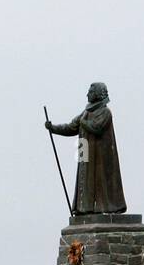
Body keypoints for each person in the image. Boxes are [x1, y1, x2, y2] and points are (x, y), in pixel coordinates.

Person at [44, 82, 127, 214]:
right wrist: (53, 128)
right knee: (85, 179)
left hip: (100, 154)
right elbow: (71, 127)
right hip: (85, 149)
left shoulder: (105, 112)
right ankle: (84, 208)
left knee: (101, 181)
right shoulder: (86, 112)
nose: (87, 94)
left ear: (98, 94)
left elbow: (96, 128)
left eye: (90, 92)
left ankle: (105, 207)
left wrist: (82, 121)